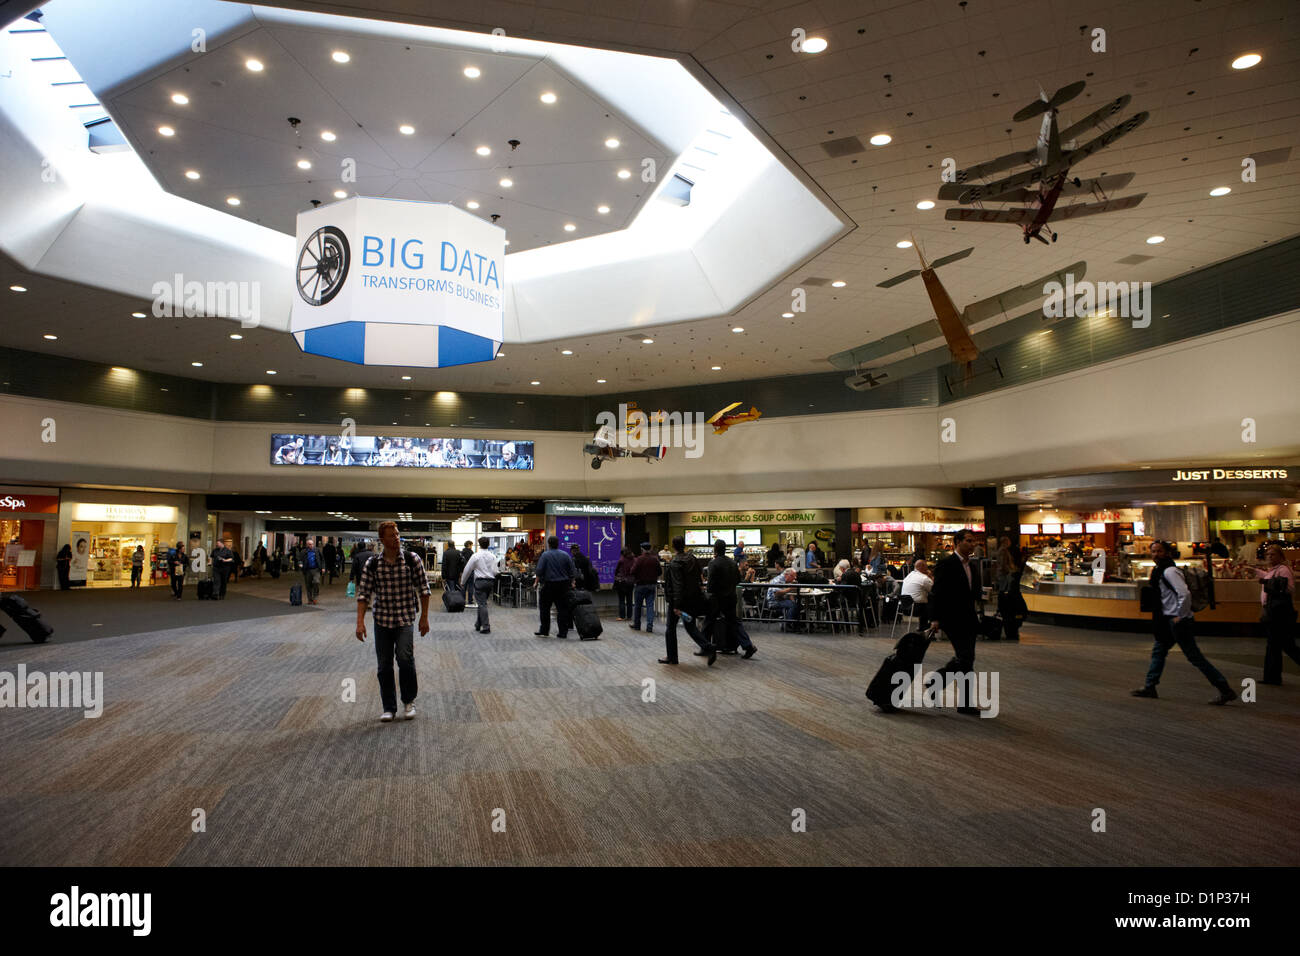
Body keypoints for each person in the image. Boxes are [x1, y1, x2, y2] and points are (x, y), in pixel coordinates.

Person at [1131, 541, 1236, 704]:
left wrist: (1180, 615)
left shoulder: (1170, 571)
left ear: (1167, 553)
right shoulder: (1160, 570)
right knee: (1159, 651)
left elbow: (1184, 593)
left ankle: (1224, 688)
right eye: (1153, 551)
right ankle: (1150, 686)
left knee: (1194, 656)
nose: (1155, 554)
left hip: (1177, 620)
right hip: (1168, 619)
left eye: (1159, 551)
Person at [355, 520, 431, 722]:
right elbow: (363, 594)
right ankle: (389, 706)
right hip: (382, 620)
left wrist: (424, 618)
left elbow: (424, 590)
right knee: (384, 665)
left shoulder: (411, 559)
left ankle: (408, 700)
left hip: (405, 619)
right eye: (391, 535)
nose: (396, 538)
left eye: (397, 534)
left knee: (405, 661)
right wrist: (360, 622)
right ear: (382, 539)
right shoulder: (373, 563)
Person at [926, 528, 983, 715]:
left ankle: (959, 699)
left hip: (969, 618)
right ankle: (940, 683)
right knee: (965, 657)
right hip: (952, 618)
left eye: (973, 541)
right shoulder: (946, 564)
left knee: (967, 660)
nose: (972, 544)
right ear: (957, 542)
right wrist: (934, 618)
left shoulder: (972, 566)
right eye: (968, 540)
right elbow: (937, 592)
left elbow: (973, 592)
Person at [1242, 544, 1298, 685]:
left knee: (1280, 645)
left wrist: (1269, 583)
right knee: (1278, 645)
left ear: (1280, 556)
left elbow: (1290, 588)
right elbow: (1267, 577)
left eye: (1273, 554)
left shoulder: (1283, 570)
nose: (1269, 557)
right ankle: (1272, 677)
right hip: (1274, 612)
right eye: (1268, 554)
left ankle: (1272, 677)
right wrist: (1256, 571)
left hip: (1280, 614)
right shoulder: (1274, 570)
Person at [662, 536, 715, 666]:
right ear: (684, 545)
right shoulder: (693, 559)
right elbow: (699, 577)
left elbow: (678, 585)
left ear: (673, 547)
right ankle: (708, 647)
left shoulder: (675, 563)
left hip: (679, 601)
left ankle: (672, 657)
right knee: (690, 626)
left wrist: (676, 605)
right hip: (693, 599)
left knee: (670, 628)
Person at [702, 538, 756, 661]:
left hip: (717, 599)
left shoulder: (713, 563)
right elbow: (738, 580)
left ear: (715, 549)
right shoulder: (732, 563)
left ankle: (705, 647)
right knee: (735, 622)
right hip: (731, 598)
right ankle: (748, 646)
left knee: (708, 622)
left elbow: (710, 586)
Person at [534, 536, 577, 638]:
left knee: (544, 608)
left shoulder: (545, 555)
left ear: (549, 544)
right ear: (558, 543)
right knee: (562, 609)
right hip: (563, 586)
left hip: (549, 585)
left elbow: (539, 570)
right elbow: (572, 571)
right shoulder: (565, 555)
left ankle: (544, 630)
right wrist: (572, 582)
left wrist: (537, 581)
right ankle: (563, 632)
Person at [461, 536, 499, 634]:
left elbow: (467, 569)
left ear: (479, 544)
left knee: (482, 604)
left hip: (480, 582)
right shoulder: (493, 556)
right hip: (490, 582)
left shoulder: (476, 556)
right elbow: (495, 571)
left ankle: (486, 627)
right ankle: (478, 624)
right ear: (488, 545)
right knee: (482, 603)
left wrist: (462, 581)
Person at [996, 545, 1027, 641]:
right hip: (1013, 600)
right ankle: (1013, 633)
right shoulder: (1016, 570)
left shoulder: (1006, 571)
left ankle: (1011, 633)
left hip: (1007, 600)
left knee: (1009, 618)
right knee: (1013, 619)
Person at [901, 558, 934, 631]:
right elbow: (934, 589)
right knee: (934, 604)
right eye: (926, 566)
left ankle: (923, 628)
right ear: (922, 567)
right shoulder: (924, 578)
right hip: (917, 609)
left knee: (925, 601)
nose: (927, 568)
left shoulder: (909, 576)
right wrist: (931, 576)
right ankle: (928, 629)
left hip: (904, 608)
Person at [614, 547, 636, 621]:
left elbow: (616, 570)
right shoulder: (634, 559)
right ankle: (629, 616)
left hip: (622, 582)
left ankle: (622, 616)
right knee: (629, 600)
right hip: (631, 582)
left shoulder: (622, 560)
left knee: (622, 600)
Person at [301, 539, 322, 604]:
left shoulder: (317, 550)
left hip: (316, 569)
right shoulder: (304, 551)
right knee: (308, 585)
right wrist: (300, 563)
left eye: (312, 544)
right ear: (307, 545)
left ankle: (315, 597)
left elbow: (322, 559)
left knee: (316, 582)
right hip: (307, 570)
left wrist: (323, 567)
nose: (311, 545)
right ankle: (310, 599)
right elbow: (299, 559)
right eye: (309, 544)